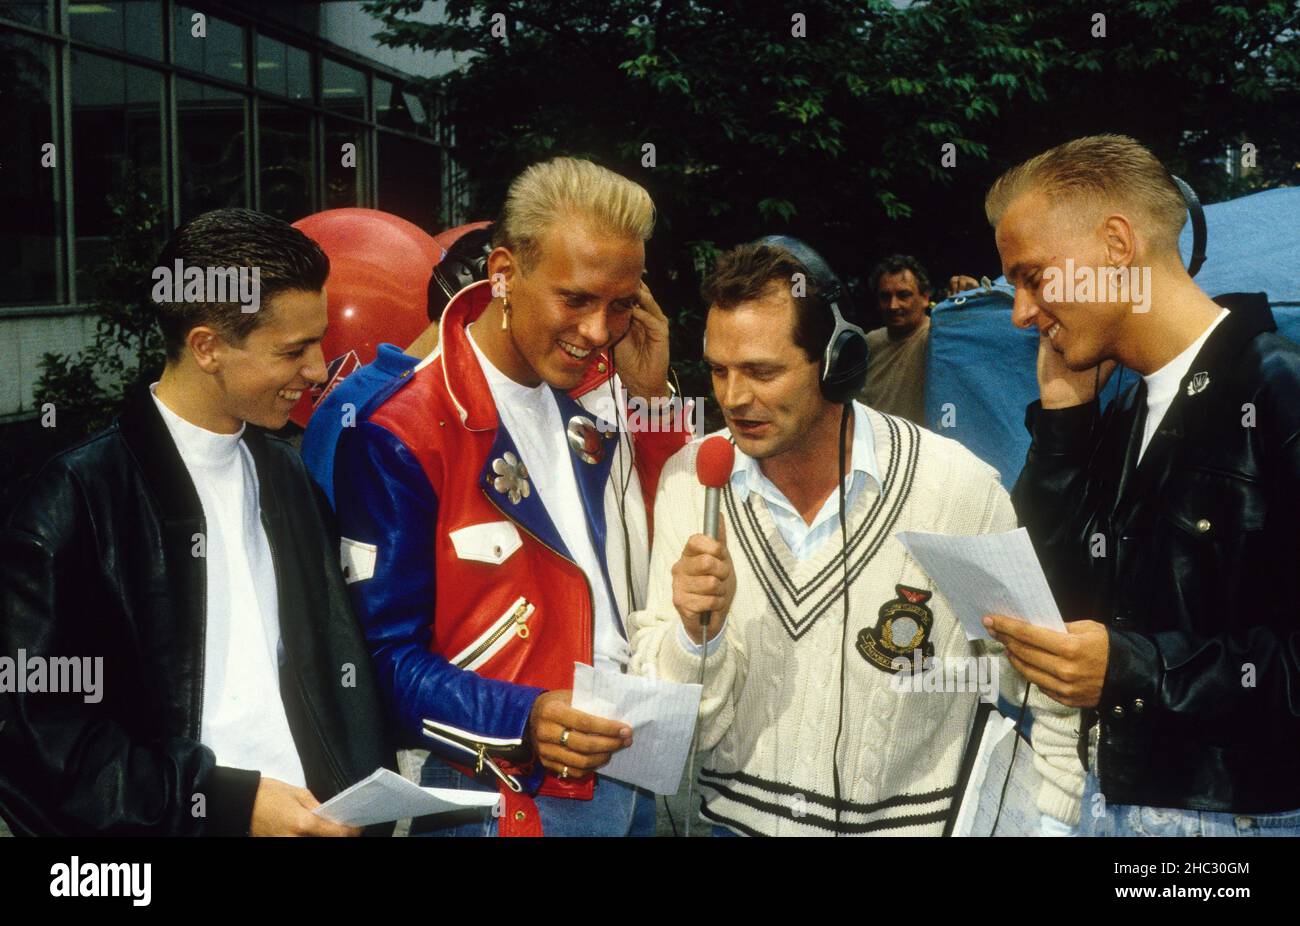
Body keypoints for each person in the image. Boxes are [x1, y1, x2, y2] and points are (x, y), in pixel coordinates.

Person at [628, 239, 1083, 836]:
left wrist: (1056, 819)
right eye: (719, 370)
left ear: (836, 361)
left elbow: (1043, 678)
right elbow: (667, 731)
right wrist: (693, 638)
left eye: (763, 371)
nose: (735, 398)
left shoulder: (955, 490)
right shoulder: (693, 480)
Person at [0, 208, 393, 836]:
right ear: (207, 345)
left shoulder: (289, 478)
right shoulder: (74, 499)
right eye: (293, 350)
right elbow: (37, 742)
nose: (319, 371)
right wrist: (222, 800)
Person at [331, 157, 690, 836]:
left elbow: (671, 537)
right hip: (503, 796)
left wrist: (652, 406)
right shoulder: (401, 429)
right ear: (502, 273)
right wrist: (522, 718)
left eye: (620, 305)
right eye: (576, 300)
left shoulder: (608, 386)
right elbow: (377, 663)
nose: (597, 331)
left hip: (638, 773)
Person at [985, 133, 1300, 836]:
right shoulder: (1124, 410)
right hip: (1116, 802)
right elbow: (1057, 605)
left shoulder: (1281, 391)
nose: (1021, 313)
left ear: (1118, 246)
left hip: (1243, 819)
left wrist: (1140, 670)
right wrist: (1064, 428)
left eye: (1032, 277)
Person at [859, 255, 933, 425]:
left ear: (925, 298)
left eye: (903, 295)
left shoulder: (934, 338)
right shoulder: (871, 342)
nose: (893, 305)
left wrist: (973, 295)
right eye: (885, 297)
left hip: (918, 446)